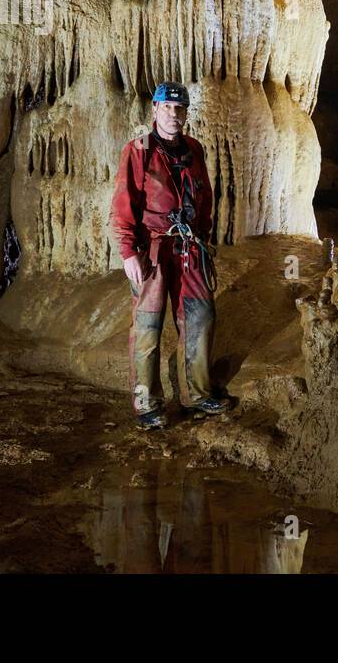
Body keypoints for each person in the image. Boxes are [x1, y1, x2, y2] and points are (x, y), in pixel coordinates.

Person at [110, 81, 235, 430]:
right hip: (152, 247)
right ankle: (147, 404)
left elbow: (205, 197)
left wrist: (205, 239)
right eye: (167, 107)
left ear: (185, 113)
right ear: (155, 109)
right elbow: (123, 202)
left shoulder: (194, 149)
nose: (173, 114)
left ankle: (197, 395)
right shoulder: (138, 150)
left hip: (189, 247)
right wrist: (127, 252)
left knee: (200, 316)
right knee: (148, 326)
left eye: (179, 108)